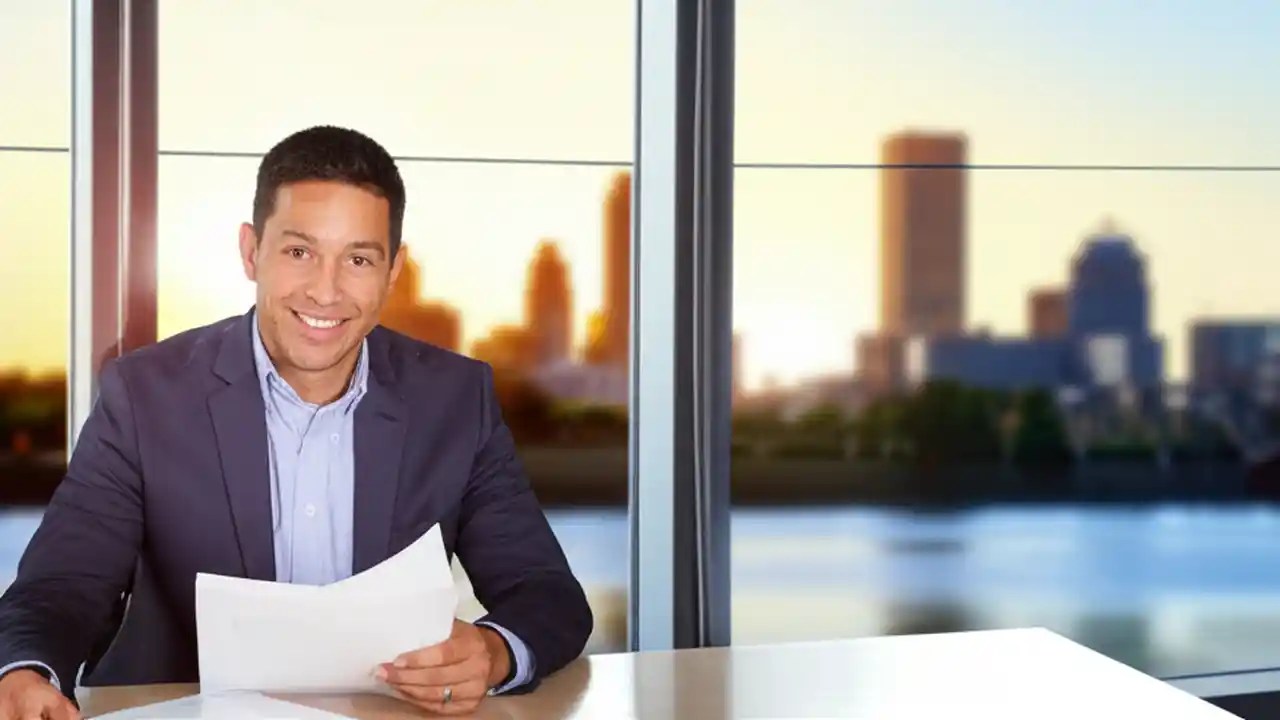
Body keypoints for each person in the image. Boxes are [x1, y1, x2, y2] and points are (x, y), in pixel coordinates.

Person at [0, 126, 592, 719]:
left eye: (358, 259)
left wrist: (492, 652)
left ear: (393, 271)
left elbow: (546, 594)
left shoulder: (456, 399)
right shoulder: (145, 395)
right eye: (300, 252)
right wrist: (26, 670)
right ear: (251, 251)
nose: (326, 291)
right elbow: (61, 583)